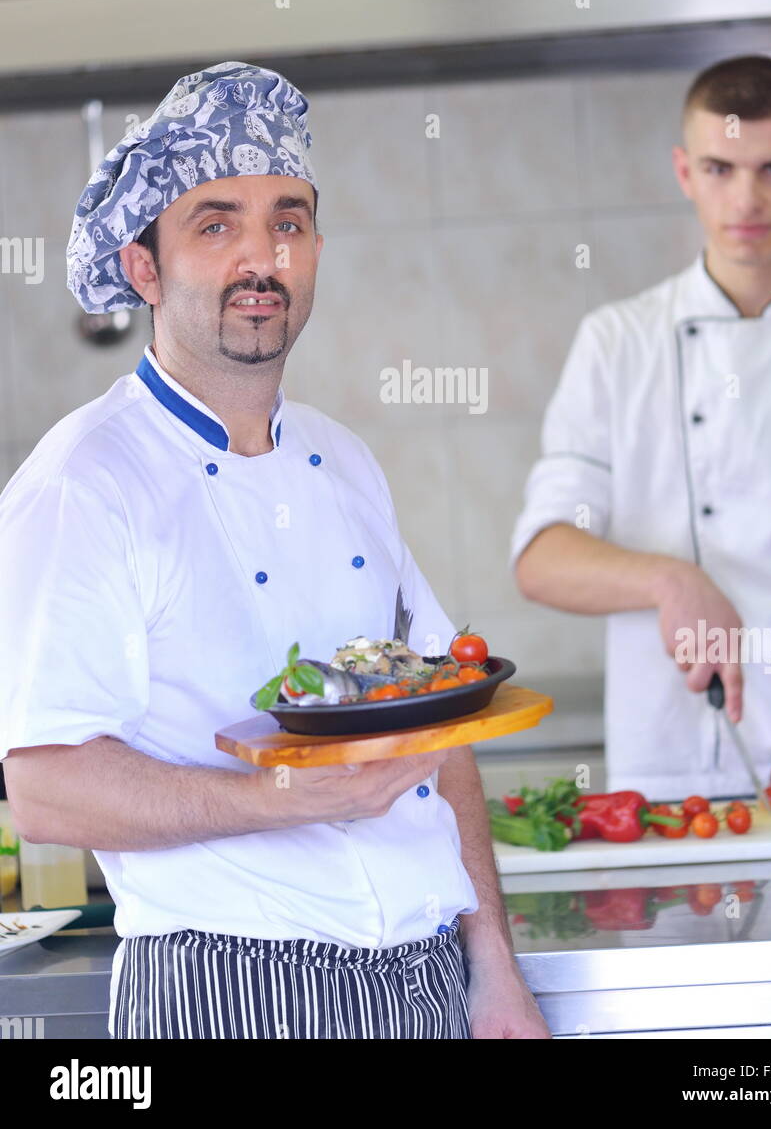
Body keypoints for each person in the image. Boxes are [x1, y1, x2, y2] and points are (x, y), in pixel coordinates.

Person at [0, 61, 549, 1040]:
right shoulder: (86, 482)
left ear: (316, 249)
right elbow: (43, 788)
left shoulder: (344, 460)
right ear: (145, 268)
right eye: (216, 224)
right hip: (228, 987)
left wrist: (492, 962)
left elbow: (440, 722)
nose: (262, 256)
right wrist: (284, 796)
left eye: (287, 221)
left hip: (422, 985)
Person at [511, 55, 771, 805]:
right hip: (678, 785)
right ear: (682, 171)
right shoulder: (618, 342)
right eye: (718, 167)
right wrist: (668, 580)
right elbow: (541, 556)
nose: (745, 198)